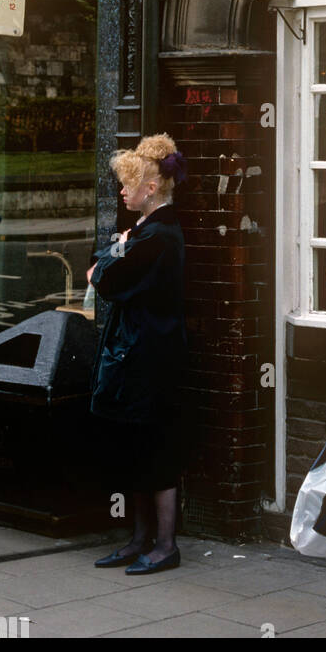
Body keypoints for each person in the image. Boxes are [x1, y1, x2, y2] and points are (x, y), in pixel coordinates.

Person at [88, 133, 188, 574]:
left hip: (149, 354)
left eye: (128, 184)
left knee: (155, 448)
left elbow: (103, 278)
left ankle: (163, 544)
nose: (122, 191)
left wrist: (112, 254)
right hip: (143, 349)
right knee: (139, 446)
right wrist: (116, 249)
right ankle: (141, 538)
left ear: (151, 188)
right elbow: (103, 268)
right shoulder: (150, 232)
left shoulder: (158, 235)